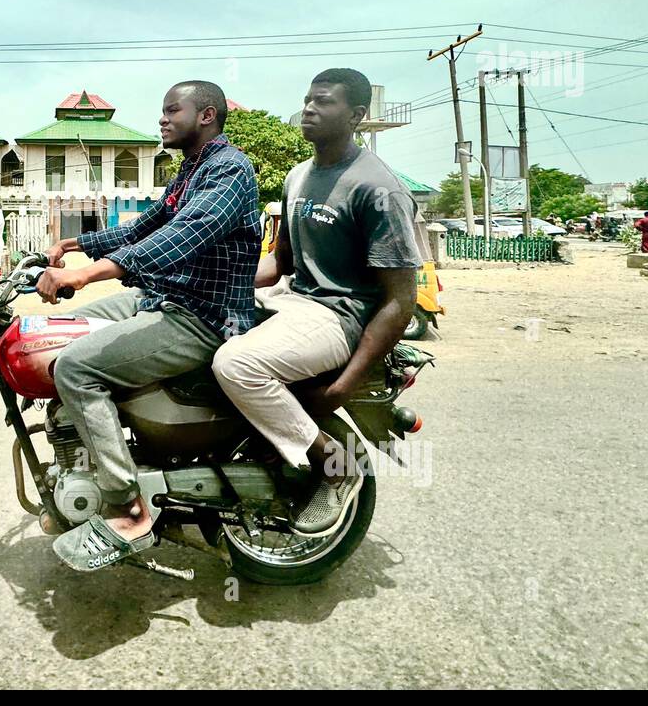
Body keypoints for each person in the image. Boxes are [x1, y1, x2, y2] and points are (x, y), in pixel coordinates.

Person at [35, 80, 260, 571]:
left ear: (206, 116)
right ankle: (81, 459)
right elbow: (145, 226)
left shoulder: (230, 172)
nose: (162, 119)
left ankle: (123, 502)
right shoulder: (191, 171)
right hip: (161, 299)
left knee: (75, 368)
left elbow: (181, 237)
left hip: (203, 315)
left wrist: (86, 274)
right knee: (55, 333)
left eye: (171, 110)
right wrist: (79, 245)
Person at [212, 68, 420, 536]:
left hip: (338, 317)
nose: (309, 109)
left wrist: (344, 385)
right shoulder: (299, 176)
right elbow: (279, 262)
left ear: (357, 116)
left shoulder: (377, 188)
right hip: (294, 300)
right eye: (307, 99)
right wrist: (216, 284)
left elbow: (399, 301)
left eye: (323, 102)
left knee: (236, 364)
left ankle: (333, 463)